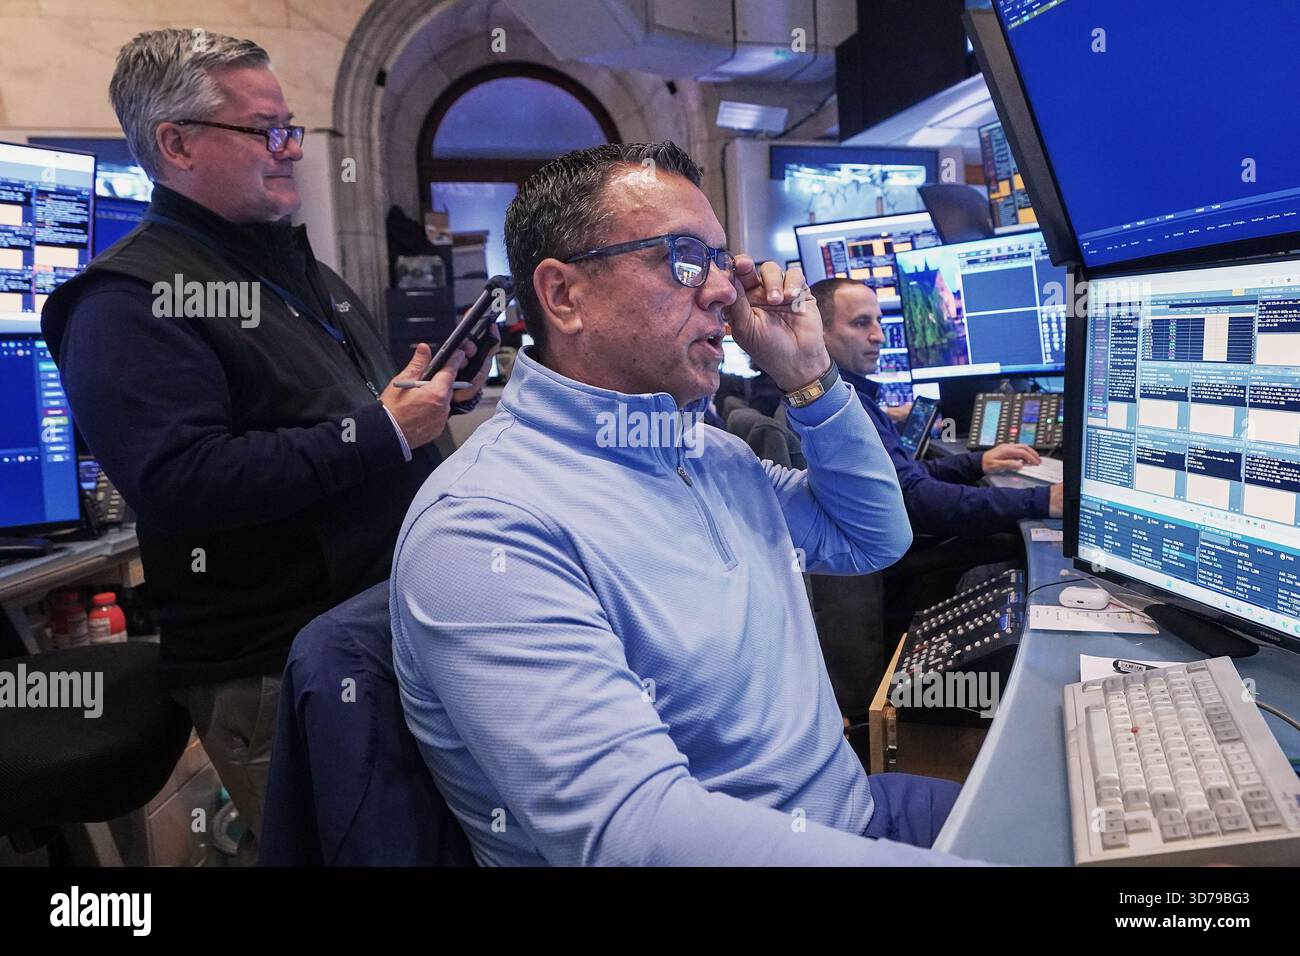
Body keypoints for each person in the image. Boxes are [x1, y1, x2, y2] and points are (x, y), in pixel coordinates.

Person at [391, 142, 980, 866]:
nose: (726, 292)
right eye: (682, 258)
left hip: (850, 810)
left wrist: (809, 377)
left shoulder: (707, 452)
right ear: (563, 296)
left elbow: (871, 538)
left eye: (722, 262)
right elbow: (634, 833)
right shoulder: (485, 526)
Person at [40, 29, 492, 842]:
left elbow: (327, 414)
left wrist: (406, 404)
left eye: (290, 127)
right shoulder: (126, 301)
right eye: (265, 131)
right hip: (279, 667)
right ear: (175, 143)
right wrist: (383, 431)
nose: (290, 149)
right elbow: (184, 478)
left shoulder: (285, 264)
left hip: (384, 625)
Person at [812, 277, 1063, 537]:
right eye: (861, 323)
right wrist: (1042, 500)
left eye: (879, 322)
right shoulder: (841, 409)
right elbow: (915, 498)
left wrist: (978, 463)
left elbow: (905, 476)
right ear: (820, 333)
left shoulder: (845, 397)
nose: (879, 336)